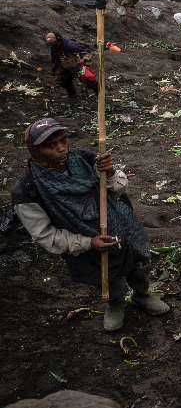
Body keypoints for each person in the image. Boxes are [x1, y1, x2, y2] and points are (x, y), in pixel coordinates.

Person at [12, 118, 170, 331]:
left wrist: (110, 172)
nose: (61, 148)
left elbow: (119, 188)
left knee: (137, 263)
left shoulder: (86, 159)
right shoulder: (27, 190)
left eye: (63, 140)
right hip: (84, 242)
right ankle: (116, 304)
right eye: (51, 145)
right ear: (35, 151)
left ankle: (142, 294)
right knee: (107, 275)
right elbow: (45, 235)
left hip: (121, 224)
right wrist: (88, 242)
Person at [45, 31, 90, 99]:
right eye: (50, 44)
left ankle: (95, 91)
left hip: (76, 64)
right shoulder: (53, 47)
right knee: (64, 81)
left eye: (53, 43)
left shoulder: (69, 45)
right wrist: (54, 69)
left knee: (86, 79)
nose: (52, 45)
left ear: (58, 39)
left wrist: (85, 62)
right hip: (65, 66)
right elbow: (54, 59)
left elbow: (83, 50)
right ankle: (73, 95)